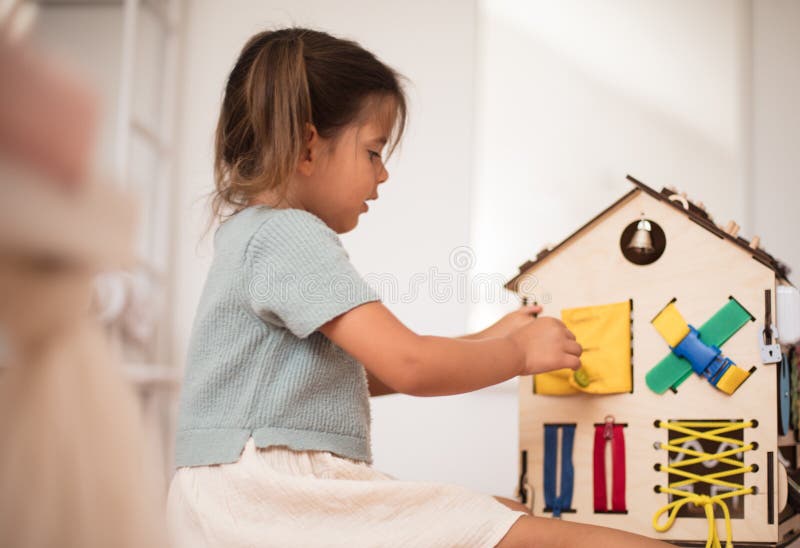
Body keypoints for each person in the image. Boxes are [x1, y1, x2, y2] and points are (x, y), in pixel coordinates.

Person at [166, 27, 668, 547]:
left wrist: (489, 339)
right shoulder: (288, 233)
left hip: (239, 492)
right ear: (308, 147)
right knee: (539, 536)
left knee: (501, 514)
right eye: (373, 152)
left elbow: (364, 374)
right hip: (265, 492)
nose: (383, 175)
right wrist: (516, 352)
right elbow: (410, 365)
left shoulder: (256, 235)